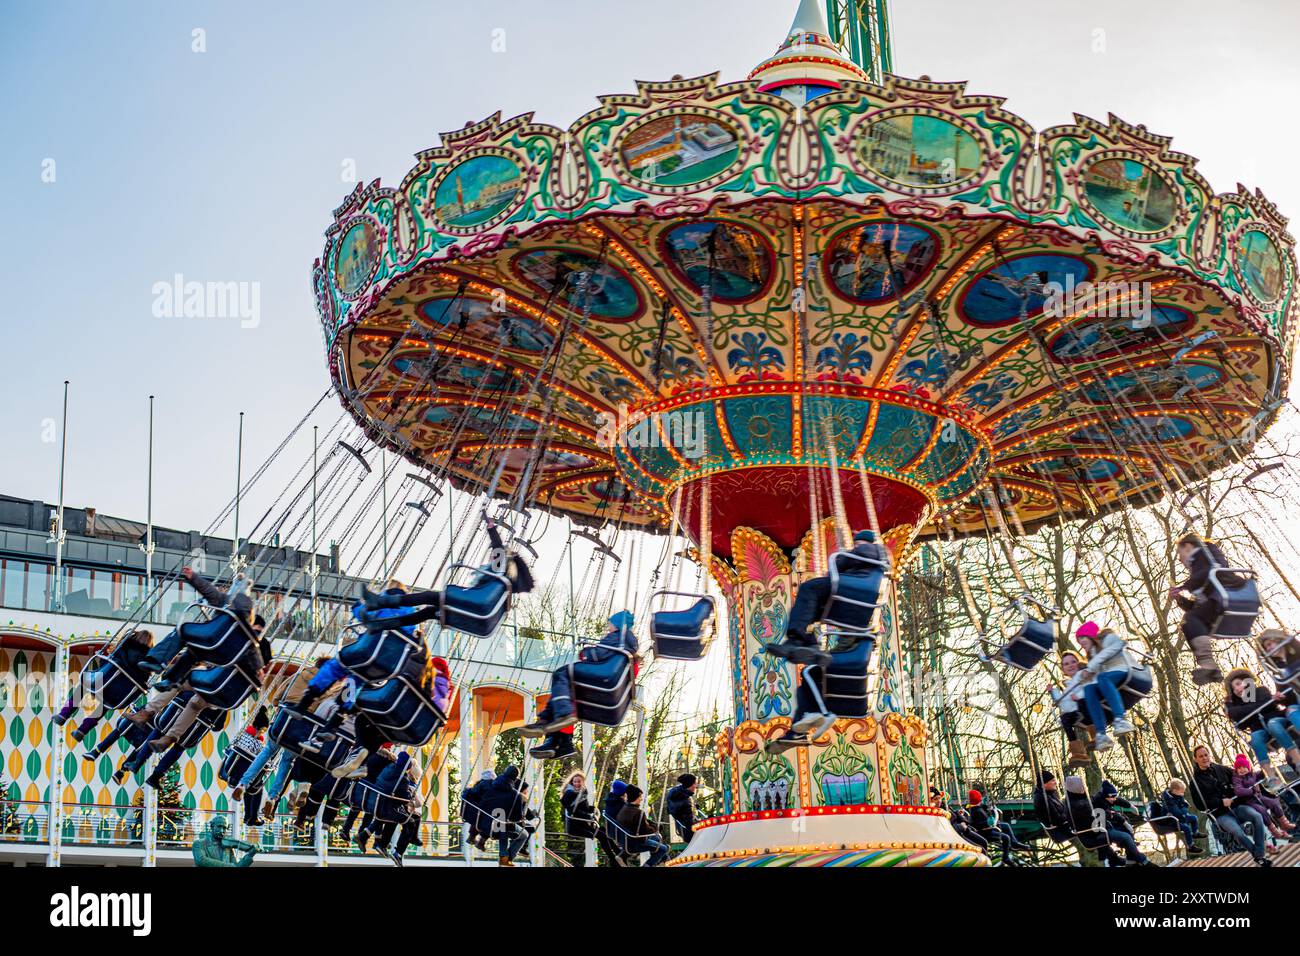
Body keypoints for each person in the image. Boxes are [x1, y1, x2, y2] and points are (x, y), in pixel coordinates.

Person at [358, 515, 535, 628]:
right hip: (474, 614)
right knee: (428, 612)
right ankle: (380, 625)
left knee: (429, 596)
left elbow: (498, 548)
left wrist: (491, 528)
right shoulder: (502, 585)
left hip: (471, 605)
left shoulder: (499, 573)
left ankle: (379, 602)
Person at [766, 529, 891, 665]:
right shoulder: (877, 561)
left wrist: (845, 556)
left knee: (808, 588)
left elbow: (838, 564)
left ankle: (796, 639)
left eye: (858, 543)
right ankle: (811, 646)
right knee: (808, 611)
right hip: (855, 607)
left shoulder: (871, 550)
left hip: (850, 589)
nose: (856, 546)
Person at [521, 611, 637, 741]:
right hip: (610, 674)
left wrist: (585, 652)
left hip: (603, 671)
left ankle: (563, 713)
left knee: (561, 673)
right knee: (565, 687)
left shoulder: (616, 637)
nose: (608, 628)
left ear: (617, 625)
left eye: (610, 625)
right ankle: (546, 719)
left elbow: (597, 654)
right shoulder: (629, 642)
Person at [141, 566, 264, 681]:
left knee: (181, 632)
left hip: (213, 642)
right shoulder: (246, 626)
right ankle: (171, 680)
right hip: (224, 656)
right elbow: (253, 647)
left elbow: (209, 591)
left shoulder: (224, 601)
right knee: (193, 652)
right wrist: (258, 668)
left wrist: (193, 577)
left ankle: (158, 661)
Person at [54, 629, 154, 740]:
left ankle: (63, 715)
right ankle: (82, 731)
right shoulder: (148, 661)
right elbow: (144, 681)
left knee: (84, 686)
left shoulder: (125, 645)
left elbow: (106, 664)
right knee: (104, 705)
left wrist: (101, 657)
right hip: (119, 697)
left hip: (103, 683)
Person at [1170, 534, 1238, 685]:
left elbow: (1211, 569)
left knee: (1191, 619)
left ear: (1188, 547)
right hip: (1216, 602)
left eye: (1180, 554)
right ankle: (1210, 667)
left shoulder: (1206, 552)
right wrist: (1180, 599)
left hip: (1227, 595)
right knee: (1189, 623)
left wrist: (1184, 586)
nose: (1180, 560)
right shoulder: (1197, 571)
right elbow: (1196, 608)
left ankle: (1209, 665)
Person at [1189, 744, 1272, 866]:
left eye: (1206, 755)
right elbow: (1200, 805)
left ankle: (1259, 852)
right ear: (1196, 759)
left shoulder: (1221, 769)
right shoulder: (1195, 782)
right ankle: (1259, 856)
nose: (1204, 758)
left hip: (1237, 807)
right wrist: (1220, 802)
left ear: (1209, 755)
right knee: (1237, 832)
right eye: (1201, 756)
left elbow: (1240, 777)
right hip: (1221, 814)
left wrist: (1256, 780)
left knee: (1257, 816)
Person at [1068, 622, 1137, 753]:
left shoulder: (1109, 638)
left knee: (1102, 677)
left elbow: (1109, 652)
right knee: (1089, 689)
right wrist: (1083, 682)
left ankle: (1120, 719)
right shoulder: (1093, 654)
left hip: (1123, 669)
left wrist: (1090, 668)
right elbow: (1096, 676)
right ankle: (1101, 734)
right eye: (1079, 641)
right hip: (1107, 678)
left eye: (1082, 638)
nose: (1081, 643)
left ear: (1091, 636)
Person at [1222, 667, 1300, 779]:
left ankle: (1297, 759)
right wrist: (1235, 708)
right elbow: (1241, 724)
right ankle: (1271, 775)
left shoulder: (1261, 690)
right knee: (1255, 739)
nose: (1237, 689)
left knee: (1273, 725)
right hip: (1259, 729)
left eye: (1238, 684)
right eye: (1234, 689)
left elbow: (1268, 704)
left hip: (1275, 719)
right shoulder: (1237, 705)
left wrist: (1245, 712)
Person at [1062, 776, 1127, 867]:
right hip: (1090, 833)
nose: (1085, 787)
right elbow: (1093, 815)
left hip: (1089, 829)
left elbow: (1093, 805)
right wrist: (1109, 814)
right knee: (1118, 826)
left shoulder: (1074, 799)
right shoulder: (1080, 803)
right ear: (1077, 788)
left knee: (1115, 819)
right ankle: (1123, 849)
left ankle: (1113, 858)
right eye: (1083, 786)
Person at [1231, 754, 1295, 838]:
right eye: (1239, 768)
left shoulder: (1252, 774)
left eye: (1244, 767)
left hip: (1259, 797)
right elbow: (1238, 791)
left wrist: (1265, 769)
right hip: (1249, 802)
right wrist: (1252, 790)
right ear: (1236, 770)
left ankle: (1284, 823)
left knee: (1273, 803)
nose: (1242, 770)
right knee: (1261, 810)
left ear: (1248, 767)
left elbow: (1261, 774)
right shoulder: (1237, 779)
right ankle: (1273, 830)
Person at [1093, 780, 1152, 866]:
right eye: (1112, 797)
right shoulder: (1098, 802)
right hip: (1102, 829)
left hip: (1109, 825)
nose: (1114, 799)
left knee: (1127, 831)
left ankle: (1130, 859)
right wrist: (1124, 822)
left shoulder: (1107, 798)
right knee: (1126, 837)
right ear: (1106, 796)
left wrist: (1131, 806)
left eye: (1115, 796)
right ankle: (1142, 860)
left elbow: (1118, 801)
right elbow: (1112, 815)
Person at [1049, 651, 1091, 767]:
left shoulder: (1084, 675)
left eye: (1073, 662)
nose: (1070, 665)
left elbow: (1091, 688)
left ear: (1078, 663)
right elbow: (1065, 705)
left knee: (1081, 702)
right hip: (1078, 711)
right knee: (1065, 718)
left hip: (1089, 706)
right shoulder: (1068, 685)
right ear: (1063, 669)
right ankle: (1078, 753)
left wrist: (1079, 696)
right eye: (1066, 664)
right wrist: (1053, 692)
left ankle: (1095, 735)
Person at [966, 788, 1028, 864]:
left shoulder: (977, 808)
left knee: (1006, 825)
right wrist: (988, 823)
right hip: (986, 833)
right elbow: (978, 825)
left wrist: (986, 806)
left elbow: (983, 810)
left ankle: (1014, 842)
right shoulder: (976, 811)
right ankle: (1005, 857)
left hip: (989, 828)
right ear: (978, 799)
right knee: (1006, 837)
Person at [615, 784, 670, 867]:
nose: (641, 799)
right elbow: (645, 831)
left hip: (626, 840)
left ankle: (664, 860)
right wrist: (656, 828)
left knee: (657, 838)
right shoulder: (639, 813)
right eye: (640, 796)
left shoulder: (624, 809)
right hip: (636, 842)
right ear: (635, 797)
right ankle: (648, 865)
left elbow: (639, 825)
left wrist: (650, 824)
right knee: (663, 848)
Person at [191, 816, 256, 867]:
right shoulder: (199, 843)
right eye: (219, 826)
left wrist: (250, 855)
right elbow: (201, 860)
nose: (221, 831)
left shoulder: (227, 847)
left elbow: (236, 866)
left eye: (224, 828)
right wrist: (230, 866)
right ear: (212, 827)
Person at [1159, 779, 1204, 853]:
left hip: (1181, 816)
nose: (1183, 794)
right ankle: (1190, 846)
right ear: (1175, 790)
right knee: (1186, 828)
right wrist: (1183, 814)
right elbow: (1175, 811)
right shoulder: (1168, 800)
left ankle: (1195, 833)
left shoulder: (1179, 796)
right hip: (1171, 820)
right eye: (1181, 792)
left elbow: (1185, 805)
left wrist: (1183, 812)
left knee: (1194, 818)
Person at [1031, 770, 1072, 842]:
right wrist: (1071, 812)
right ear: (1044, 784)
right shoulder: (1043, 799)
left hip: (1065, 827)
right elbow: (1058, 820)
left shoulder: (1050, 794)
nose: (1056, 782)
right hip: (1063, 831)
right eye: (1052, 781)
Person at [461, 769, 497, 850]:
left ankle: (472, 837)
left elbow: (473, 793)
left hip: (475, 810)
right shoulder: (491, 785)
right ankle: (481, 841)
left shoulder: (479, 785)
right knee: (489, 821)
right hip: (484, 809)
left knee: (477, 819)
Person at [599, 779, 629, 866]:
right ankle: (621, 856)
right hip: (620, 831)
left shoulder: (611, 801)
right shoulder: (620, 804)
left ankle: (620, 857)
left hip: (612, 829)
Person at [665, 773, 698, 843]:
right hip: (689, 832)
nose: (696, 786)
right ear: (689, 785)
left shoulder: (675, 794)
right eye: (695, 784)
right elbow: (689, 823)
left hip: (680, 828)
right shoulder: (685, 801)